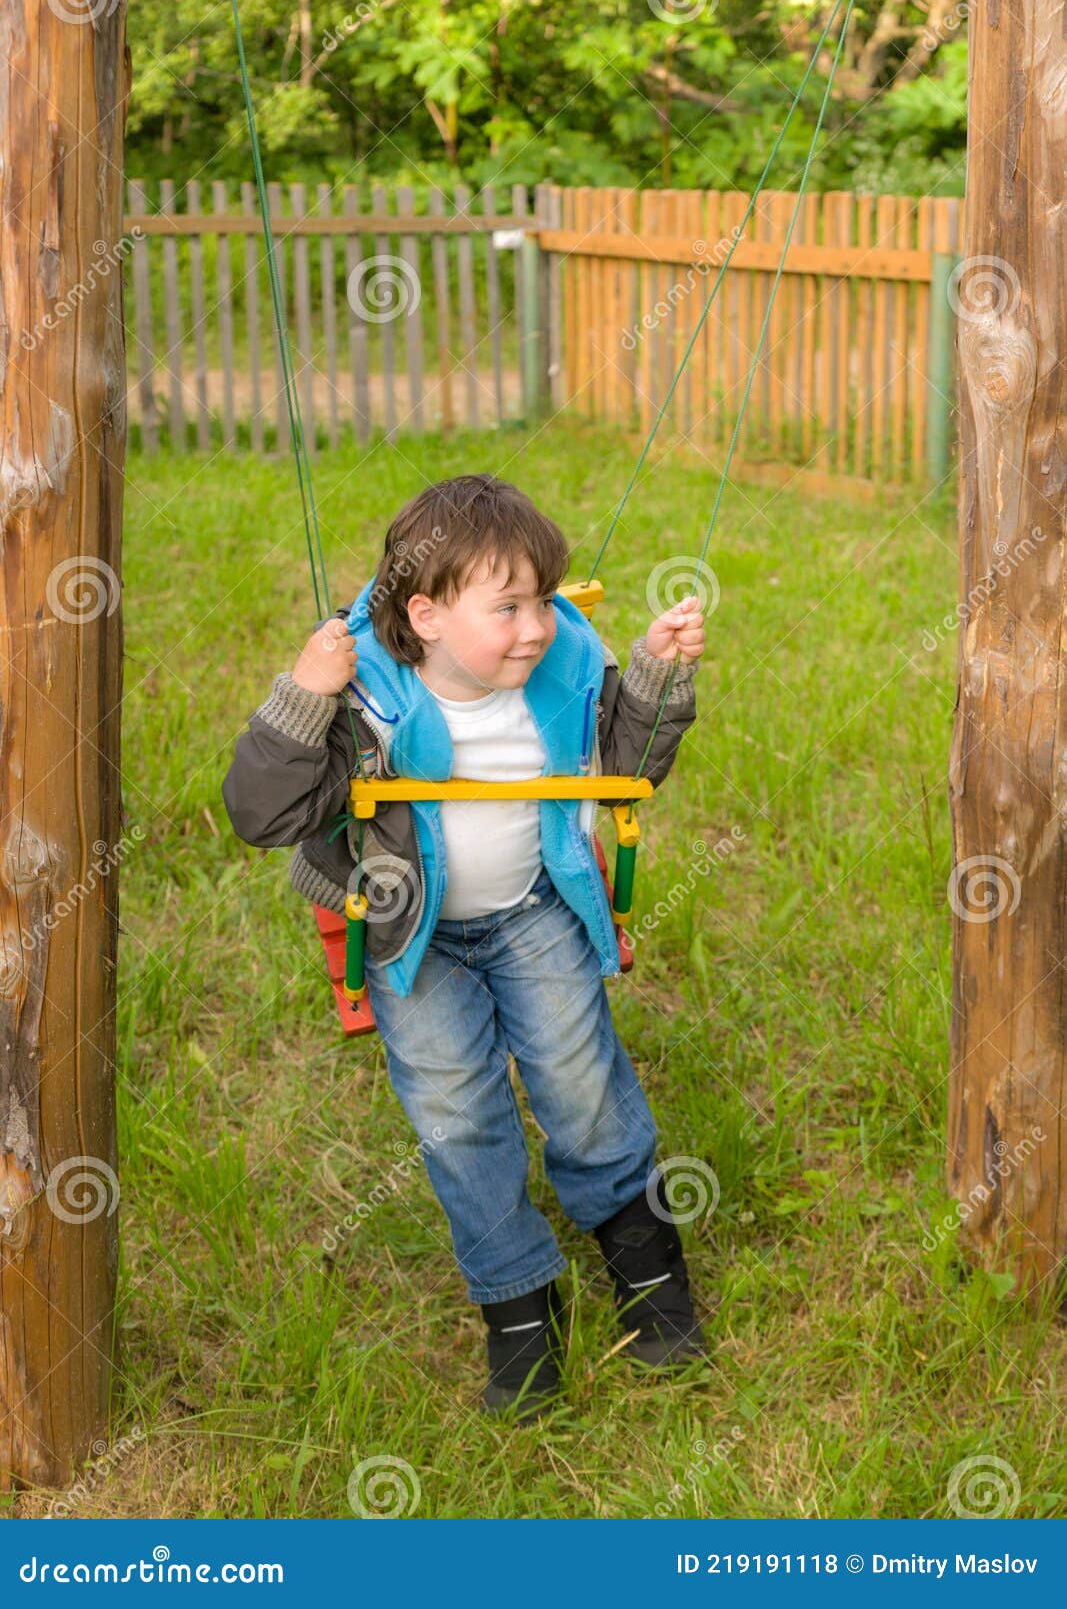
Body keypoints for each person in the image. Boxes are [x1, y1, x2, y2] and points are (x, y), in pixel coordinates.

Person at [222, 474, 708, 1421]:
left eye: (543, 598)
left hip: (533, 910)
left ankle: (645, 1269)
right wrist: (302, 696)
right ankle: (519, 1308)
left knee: (579, 1081)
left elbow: (628, 769)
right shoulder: (361, 692)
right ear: (427, 614)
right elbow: (264, 811)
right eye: (509, 607)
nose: (536, 625)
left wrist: (653, 671)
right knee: (458, 1112)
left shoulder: (562, 663)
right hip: (412, 933)